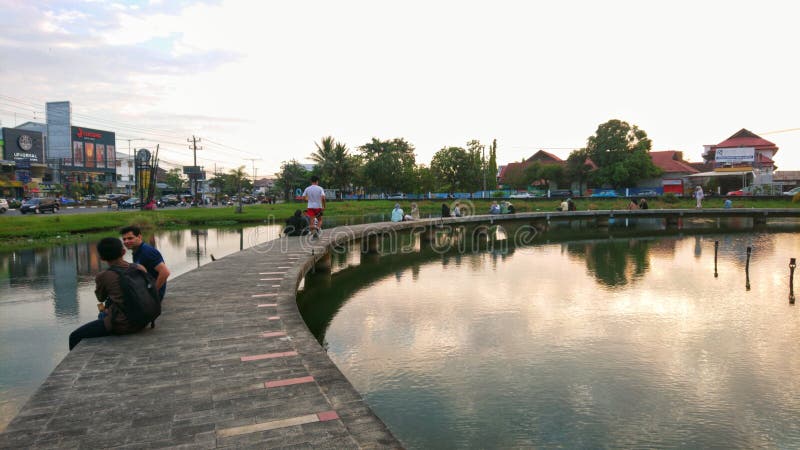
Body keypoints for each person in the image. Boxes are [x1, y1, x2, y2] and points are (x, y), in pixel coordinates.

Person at [69, 238, 146, 350]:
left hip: (125, 324)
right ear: (123, 252)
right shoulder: (139, 268)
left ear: (101, 258)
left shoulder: (104, 276)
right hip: (143, 319)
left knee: (74, 336)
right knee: (106, 311)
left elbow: (101, 298)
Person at [120, 225, 170, 300]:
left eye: (130, 238)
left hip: (153, 297)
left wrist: (153, 292)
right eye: (124, 239)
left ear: (139, 237)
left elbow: (165, 272)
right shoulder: (137, 250)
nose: (126, 241)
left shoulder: (147, 251)